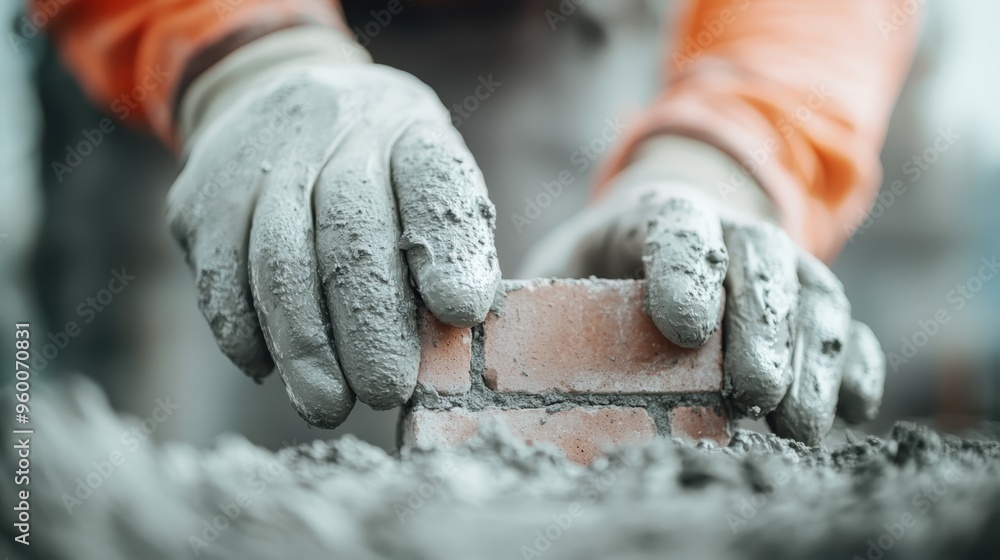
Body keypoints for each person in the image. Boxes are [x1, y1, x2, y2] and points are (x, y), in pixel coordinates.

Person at [31, 0, 919, 444]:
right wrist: (238, 57)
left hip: (560, 35)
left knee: (552, 425)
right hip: (171, 76)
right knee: (156, 464)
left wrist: (726, 155)